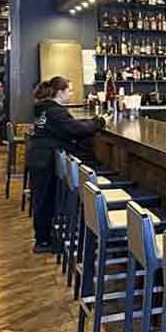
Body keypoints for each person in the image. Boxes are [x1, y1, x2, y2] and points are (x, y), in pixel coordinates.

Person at [27, 76, 105, 254]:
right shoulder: (55, 111)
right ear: (60, 92)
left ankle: (44, 238)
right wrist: (98, 123)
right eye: (69, 90)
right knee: (44, 200)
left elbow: (70, 126)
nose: (71, 93)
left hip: (39, 155)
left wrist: (90, 123)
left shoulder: (44, 109)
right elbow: (75, 130)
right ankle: (42, 242)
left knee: (42, 199)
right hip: (43, 159)